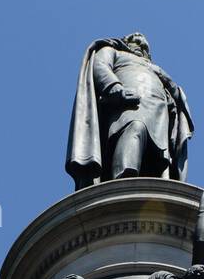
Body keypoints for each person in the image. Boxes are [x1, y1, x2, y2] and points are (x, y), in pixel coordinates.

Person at [65, 34, 193, 187]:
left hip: (158, 113)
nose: (140, 46)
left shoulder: (155, 69)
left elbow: (175, 93)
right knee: (135, 128)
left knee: (160, 155)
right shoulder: (113, 52)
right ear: (125, 43)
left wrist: (173, 91)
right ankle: (124, 179)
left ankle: (158, 189)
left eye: (144, 46)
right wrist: (114, 87)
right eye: (136, 42)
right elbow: (100, 66)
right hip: (128, 105)